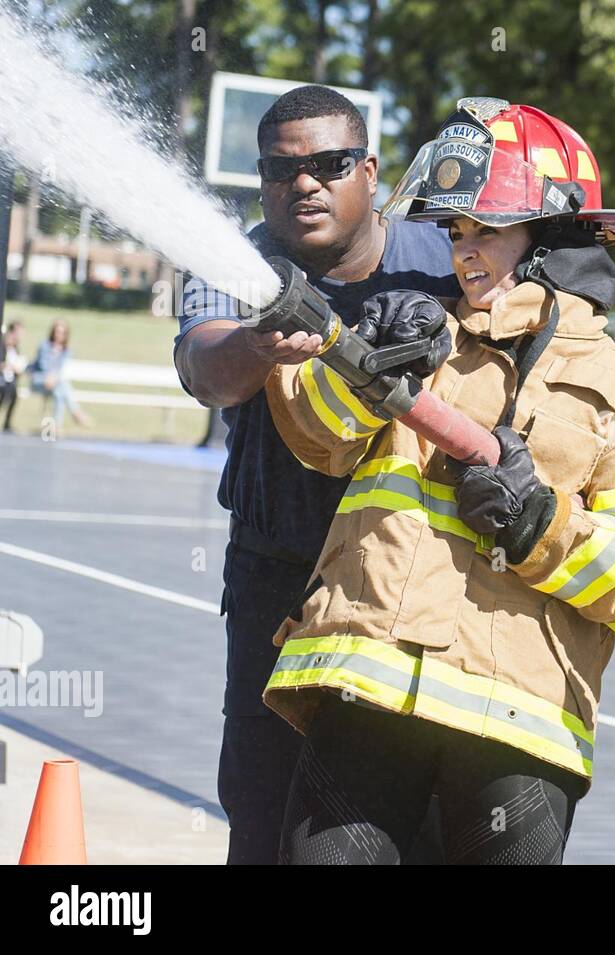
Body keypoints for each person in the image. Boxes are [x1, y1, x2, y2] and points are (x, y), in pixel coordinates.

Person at [261, 96, 615, 865]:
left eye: (489, 231)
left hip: (518, 722)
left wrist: (543, 524)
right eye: (456, 231)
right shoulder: (416, 333)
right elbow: (316, 440)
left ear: (553, 236)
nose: (464, 253)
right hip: (366, 685)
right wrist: (366, 359)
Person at [173, 84, 458, 864]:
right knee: (263, 815)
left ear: (370, 170)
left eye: (330, 164)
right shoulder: (231, 260)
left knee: (416, 830)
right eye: (281, 168)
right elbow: (206, 369)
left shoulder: (443, 261)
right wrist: (265, 343)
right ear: (262, 179)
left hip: (407, 586)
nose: (305, 183)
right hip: (278, 578)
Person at [29, 320, 91, 433]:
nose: (59, 335)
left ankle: (56, 426)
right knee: (61, 385)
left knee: (59, 392)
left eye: (62, 333)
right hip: (39, 379)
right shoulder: (44, 346)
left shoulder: (66, 351)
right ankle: (76, 412)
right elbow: (43, 366)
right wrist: (52, 377)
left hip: (55, 382)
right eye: (57, 332)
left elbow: (61, 369)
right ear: (53, 332)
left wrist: (54, 378)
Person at [0, 320, 24, 432]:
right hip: (2, 378)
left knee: (13, 393)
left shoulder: (15, 348)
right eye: (19, 333)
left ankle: (7, 423)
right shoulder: (2, 344)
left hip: (9, 379)